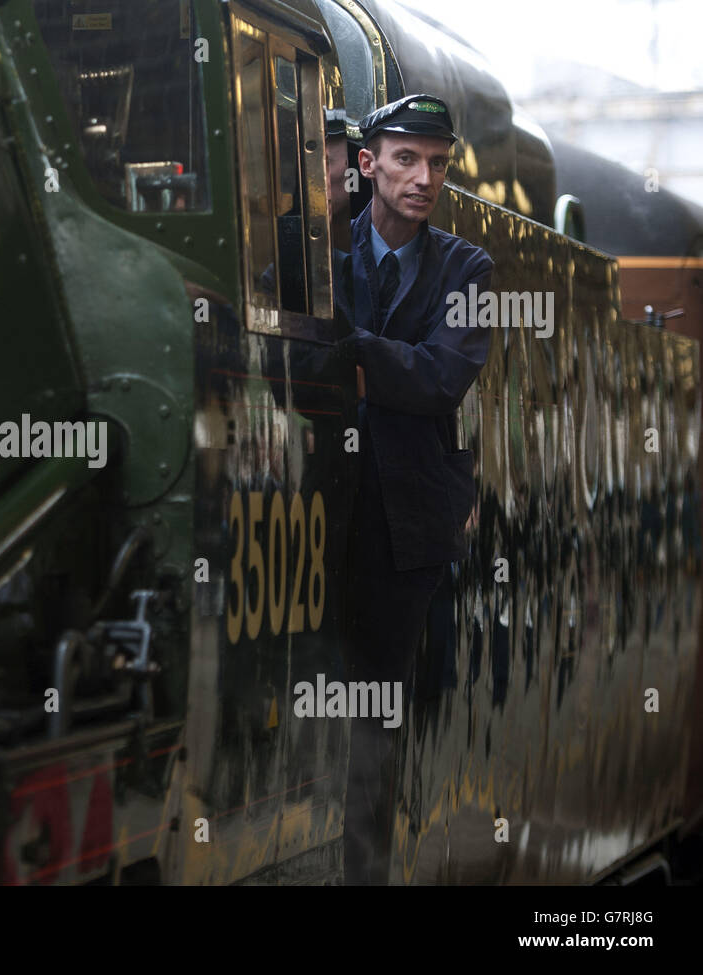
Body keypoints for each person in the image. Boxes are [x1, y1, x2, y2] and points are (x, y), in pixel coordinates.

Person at [337, 94, 494, 884]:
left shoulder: (468, 269)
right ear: (368, 164)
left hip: (406, 530)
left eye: (437, 162)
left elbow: (441, 379)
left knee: (375, 711)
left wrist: (346, 348)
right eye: (406, 158)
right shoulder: (319, 249)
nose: (423, 177)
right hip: (318, 510)